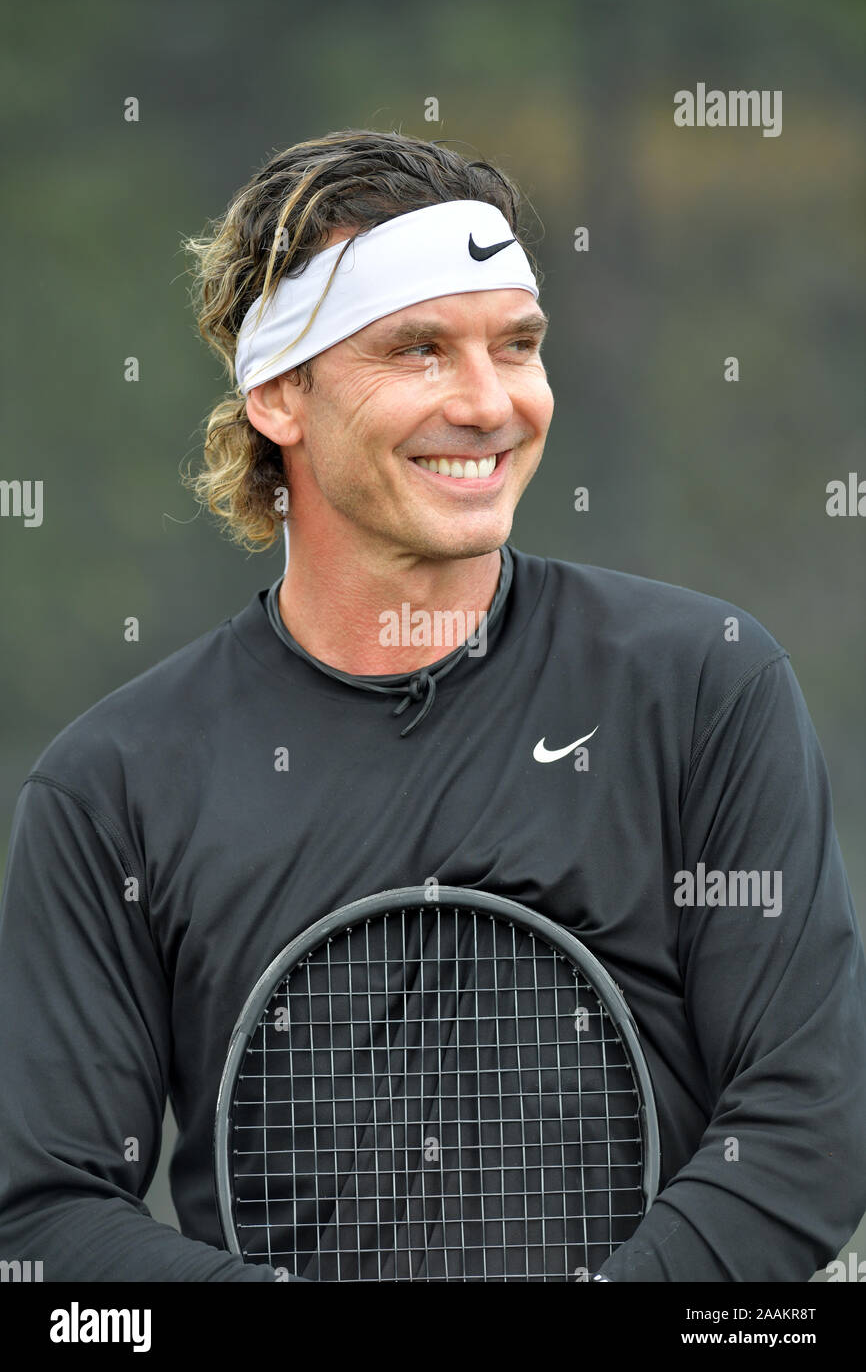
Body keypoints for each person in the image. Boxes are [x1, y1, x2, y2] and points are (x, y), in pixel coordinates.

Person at [0, 128, 864, 1283]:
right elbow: (45, 1213)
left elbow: (806, 1124)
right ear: (278, 394)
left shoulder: (704, 684)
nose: (488, 402)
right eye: (418, 350)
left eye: (517, 345)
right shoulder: (109, 786)